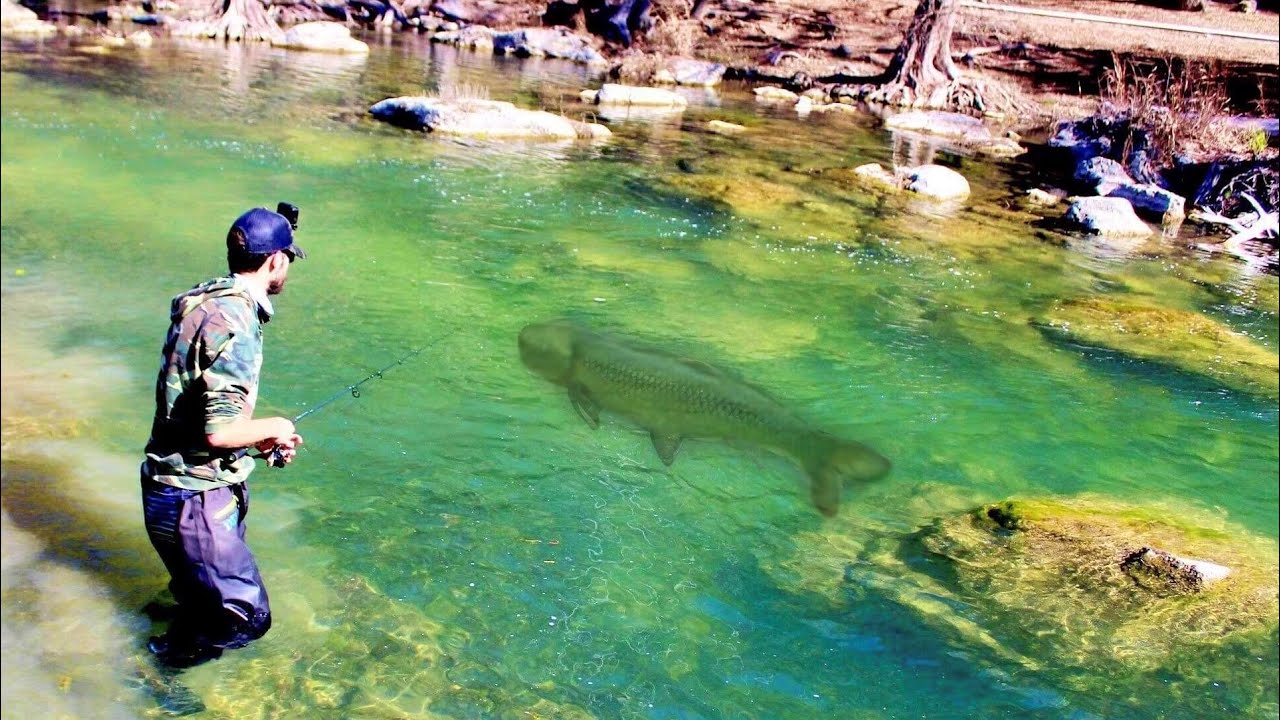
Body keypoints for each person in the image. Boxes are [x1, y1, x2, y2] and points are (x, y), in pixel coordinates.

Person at [140, 204, 306, 668]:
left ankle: (155, 650)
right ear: (276, 261)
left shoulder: (207, 301)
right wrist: (277, 426)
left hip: (174, 488)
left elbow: (198, 411)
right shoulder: (237, 323)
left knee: (199, 601)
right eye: (288, 259)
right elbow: (219, 432)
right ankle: (157, 675)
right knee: (245, 619)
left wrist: (255, 439)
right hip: (194, 498)